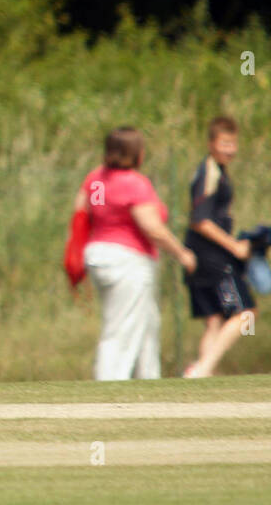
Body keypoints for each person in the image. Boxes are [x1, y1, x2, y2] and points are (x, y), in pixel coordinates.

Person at [75, 126, 196, 380]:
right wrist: (182, 253)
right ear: (135, 153)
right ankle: (108, 389)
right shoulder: (134, 183)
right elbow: (153, 228)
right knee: (120, 329)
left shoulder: (95, 178)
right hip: (127, 260)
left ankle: (148, 381)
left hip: (99, 254)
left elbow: (84, 211)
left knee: (147, 324)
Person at [182, 116, 256, 378]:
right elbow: (200, 220)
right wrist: (234, 247)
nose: (230, 149)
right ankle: (203, 369)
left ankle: (200, 378)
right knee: (245, 314)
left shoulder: (218, 171)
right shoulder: (209, 172)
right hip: (211, 257)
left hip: (199, 255)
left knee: (214, 319)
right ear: (211, 143)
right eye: (224, 143)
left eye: (233, 143)